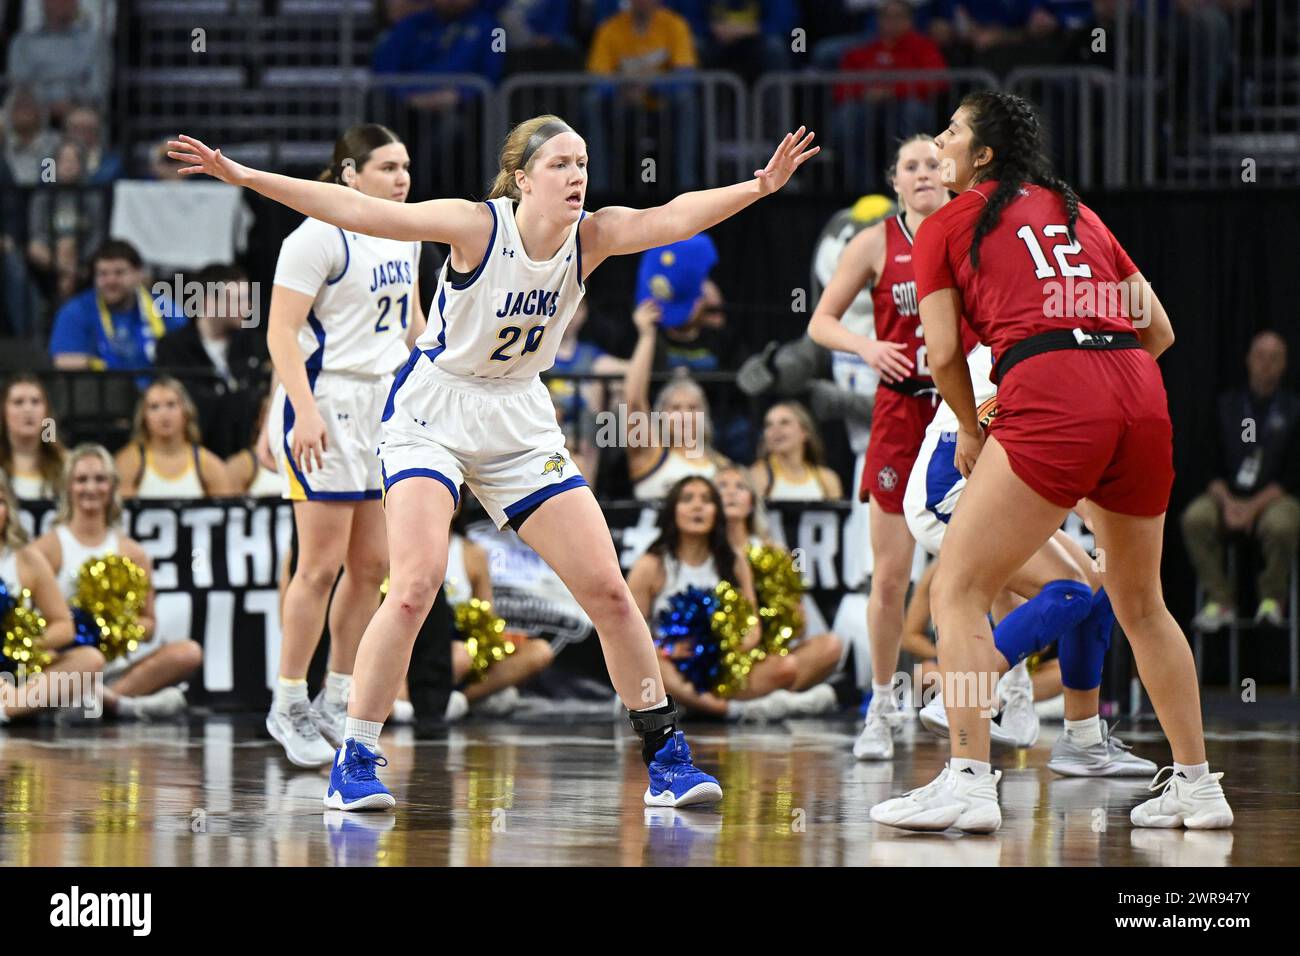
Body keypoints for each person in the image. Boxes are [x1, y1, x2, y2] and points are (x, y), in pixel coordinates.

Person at [168, 112, 819, 811]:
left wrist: (758, 186)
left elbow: (675, 216)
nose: (578, 176)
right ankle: (356, 756)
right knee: (413, 585)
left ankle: (665, 755)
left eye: (584, 163)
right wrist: (245, 176)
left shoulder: (590, 236)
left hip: (518, 418)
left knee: (607, 589)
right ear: (521, 178)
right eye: (562, 164)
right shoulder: (477, 225)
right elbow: (351, 206)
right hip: (433, 414)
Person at [870, 91, 1232, 832]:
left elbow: (940, 354)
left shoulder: (944, 224)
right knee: (1142, 602)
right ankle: (1199, 787)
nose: (939, 140)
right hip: (1138, 389)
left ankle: (969, 782)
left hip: (1053, 388)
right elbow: (1157, 329)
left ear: (983, 157)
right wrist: (1099, 403)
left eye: (953, 131)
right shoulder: (1078, 213)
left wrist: (975, 429)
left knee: (959, 588)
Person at [902, 343, 1158, 774]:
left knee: (1095, 587)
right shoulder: (1033, 340)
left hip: (993, 479)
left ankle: (1082, 739)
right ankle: (963, 697)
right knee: (1071, 590)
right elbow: (1015, 440)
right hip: (949, 485)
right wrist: (1085, 503)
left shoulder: (1077, 347)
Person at [257, 124, 426, 767]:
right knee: (319, 565)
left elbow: (409, 325)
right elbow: (279, 334)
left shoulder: (405, 230)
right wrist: (300, 412)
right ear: (349, 174)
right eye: (387, 167)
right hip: (322, 403)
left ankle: (336, 694)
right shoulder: (314, 235)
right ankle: (287, 700)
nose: (401, 178)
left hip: (380, 406)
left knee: (373, 568)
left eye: (405, 165)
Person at [808, 135, 965, 762]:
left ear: (949, 176)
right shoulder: (873, 242)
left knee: (974, 572)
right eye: (911, 166)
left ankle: (985, 695)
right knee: (891, 576)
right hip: (900, 415)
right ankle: (880, 701)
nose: (924, 173)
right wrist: (867, 347)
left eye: (933, 163)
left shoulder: (967, 234)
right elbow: (820, 321)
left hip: (959, 416)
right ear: (895, 182)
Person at [33, 444, 202, 720]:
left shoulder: (132, 552)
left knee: (188, 652)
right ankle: (125, 705)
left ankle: (101, 700)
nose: (91, 488)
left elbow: (149, 623)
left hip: (116, 665)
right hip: (66, 661)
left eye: (100, 479)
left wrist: (116, 629)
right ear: (68, 487)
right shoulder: (48, 547)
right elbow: (30, 616)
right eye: (81, 480)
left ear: (112, 487)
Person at [626, 475, 794, 722]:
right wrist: (667, 649)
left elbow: (752, 627)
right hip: (669, 667)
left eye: (706, 500)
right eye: (687, 499)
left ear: (717, 511)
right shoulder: (651, 564)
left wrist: (721, 650)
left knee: (785, 666)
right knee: (656, 668)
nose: (697, 506)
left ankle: (697, 704)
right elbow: (628, 635)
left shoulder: (734, 561)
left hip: (719, 669)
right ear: (673, 511)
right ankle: (729, 711)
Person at [1182, 330, 1299, 630]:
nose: (1266, 365)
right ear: (1248, 360)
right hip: (1226, 497)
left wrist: (1252, 508)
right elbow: (1206, 465)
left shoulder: (1292, 410)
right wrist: (1230, 503)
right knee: (1195, 518)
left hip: (1274, 499)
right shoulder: (1226, 406)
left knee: (1283, 524)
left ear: (1284, 364)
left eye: (1274, 358)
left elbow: (1291, 475)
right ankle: (1220, 599)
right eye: (1260, 356)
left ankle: (1272, 598)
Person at [715, 463, 845, 705]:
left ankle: (769, 700)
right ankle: (785, 701)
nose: (731, 492)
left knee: (830, 645)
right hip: (724, 657)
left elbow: (801, 625)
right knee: (782, 668)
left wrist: (782, 623)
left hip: (771, 656)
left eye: (740, 487)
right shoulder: (705, 551)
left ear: (752, 502)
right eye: (722, 486)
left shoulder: (774, 552)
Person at [0, 471, 103, 725]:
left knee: (90, 659)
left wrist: (24, 646)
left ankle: (9, 707)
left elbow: (63, 626)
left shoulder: (26, 560)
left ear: (8, 509)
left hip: (17, 671)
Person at [155, 263, 266, 458]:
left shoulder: (254, 344)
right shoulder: (173, 348)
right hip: (193, 455)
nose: (248, 307)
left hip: (248, 455)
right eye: (238, 300)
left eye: (248, 298)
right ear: (208, 302)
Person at [626, 298, 732, 501]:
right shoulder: (650, 454)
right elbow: (634, 401)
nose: (684, 415)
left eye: (692, 408)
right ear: (660, 415)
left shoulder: (722, 465)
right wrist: (647, 335)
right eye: (675, 408)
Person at [47, 239, 186, 371]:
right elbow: (64, 362)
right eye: (103, 274)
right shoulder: (76, 311)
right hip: (102, 392)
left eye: (119, 273)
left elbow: (189, 352)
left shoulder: (164, 307)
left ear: (139, 274)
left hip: (158, 392)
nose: (111, 281)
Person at [114, 377, 232, 499]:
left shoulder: (209, 464)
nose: (164, 414)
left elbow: (226, 512)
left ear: (186, 411)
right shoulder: (128, 462)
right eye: (154, 407)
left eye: (171, 405)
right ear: (144, 417)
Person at [748, 400, 843, 501]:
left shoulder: (827, 478)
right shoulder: (758, 474)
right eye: (769, 425)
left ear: (804, 432)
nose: (775, 430)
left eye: (784, 423)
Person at [0, 373, 66, 502]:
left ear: (47, 412)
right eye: (18, 402)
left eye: (35, 402)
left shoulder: (67, 464)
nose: (28, 409)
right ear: (3, 412)